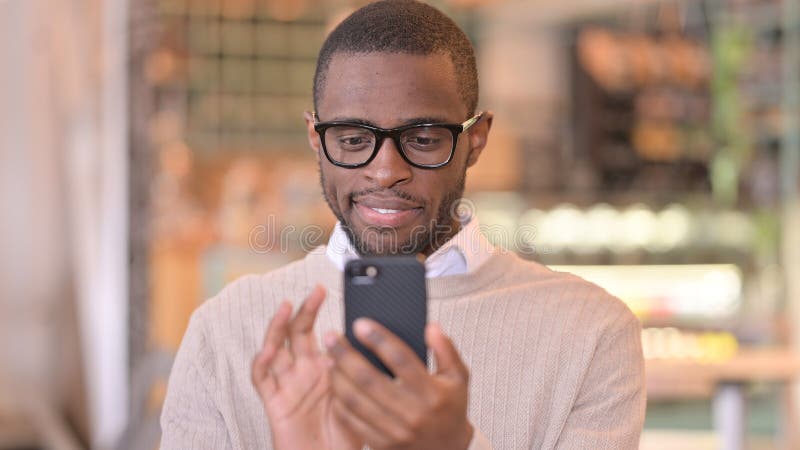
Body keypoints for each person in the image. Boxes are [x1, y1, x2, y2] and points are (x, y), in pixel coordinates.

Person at [160, 1, 646, 449]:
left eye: (423, 138)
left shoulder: (589, 332)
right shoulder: (224, 333)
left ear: (475, 141)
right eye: (352, 139)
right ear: (315, 137)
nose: (385, 170)